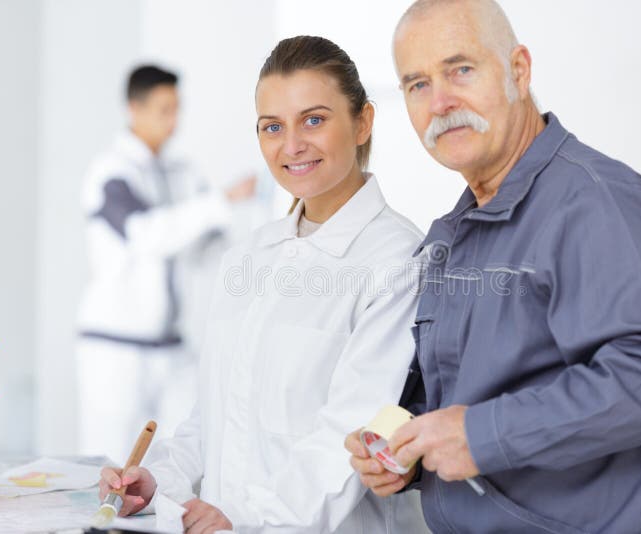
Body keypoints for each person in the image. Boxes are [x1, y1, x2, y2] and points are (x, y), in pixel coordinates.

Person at [345, 1, 641, 532]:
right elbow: (474, 394)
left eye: (460, 69)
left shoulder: (593, 203)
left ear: (518, 70)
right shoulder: (461, 229)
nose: (440, 102)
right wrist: (408, 447)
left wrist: (481, 435)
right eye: (417, 84)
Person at [98, 37, 429, 533]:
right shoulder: (250, 256)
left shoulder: (397, 259)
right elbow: (211, 417)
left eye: (313, 120)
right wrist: (158, 482)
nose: (291, 145)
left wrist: (244, 518)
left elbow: (350, 435)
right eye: (273, 126)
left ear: (363, 122)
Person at [78, 64, 257, 464]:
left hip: (171, 345)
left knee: (178, 456)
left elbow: (206, 244)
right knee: (108, 462)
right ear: (134, 109)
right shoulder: (111, 172)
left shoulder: (182, 173)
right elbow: (146, 234)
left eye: (176, 108)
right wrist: (221, 201)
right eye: (163, 110)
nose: (173, 120)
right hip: (116, 347)